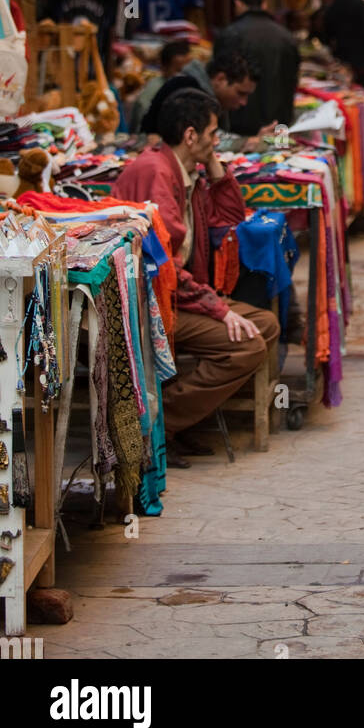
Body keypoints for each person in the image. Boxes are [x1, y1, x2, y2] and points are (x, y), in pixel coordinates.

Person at [114, 89, 279, 467]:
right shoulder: (157, 172)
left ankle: (179, 419)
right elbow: (166, 266)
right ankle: (158, 425)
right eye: (213, 134)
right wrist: (218, 310)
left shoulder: (185, 170)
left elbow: (232, 218)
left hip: (177, 294)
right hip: (153, 301)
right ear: (191, 136)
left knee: (265, 325)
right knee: (247, 346)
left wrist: (215, 166)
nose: (217, 140)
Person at [215, 0, 300, 136]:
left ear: (237, 4)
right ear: (264, 3)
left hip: (239, 131)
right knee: (282, 158)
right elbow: (292, 83)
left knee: (246, 161)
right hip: (279, 127)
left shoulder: (230, 34)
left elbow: (219, 84)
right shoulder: (286, 36)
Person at [140, 48, 257, 136]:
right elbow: (201, 141)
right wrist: (250, 142)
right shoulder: (188, 94)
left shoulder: (202, 92)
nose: (244, 102)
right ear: (220, 79)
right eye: (241, 93)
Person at [128, 39, 192, 133]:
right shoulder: (156, 88)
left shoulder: (188, 86)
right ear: (164, 68)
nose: (182, 75)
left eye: (186, 71)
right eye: (178, 70)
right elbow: (141, 110)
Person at [321, 0, 364, 87]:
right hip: (363, 59)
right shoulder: (359, 4)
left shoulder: (332, 7)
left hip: (343, 57)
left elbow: (327, 36)